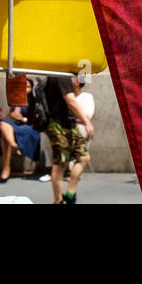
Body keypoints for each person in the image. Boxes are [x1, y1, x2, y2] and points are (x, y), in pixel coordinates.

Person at [45, 74, 92, 204]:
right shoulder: (60, 75)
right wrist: (87, 122)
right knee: (61, 164)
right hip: (58, 124)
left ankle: (69, 195)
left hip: (70, 123)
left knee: (84, 157)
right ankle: (58, 201)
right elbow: (70, 100)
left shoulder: (66, 74)